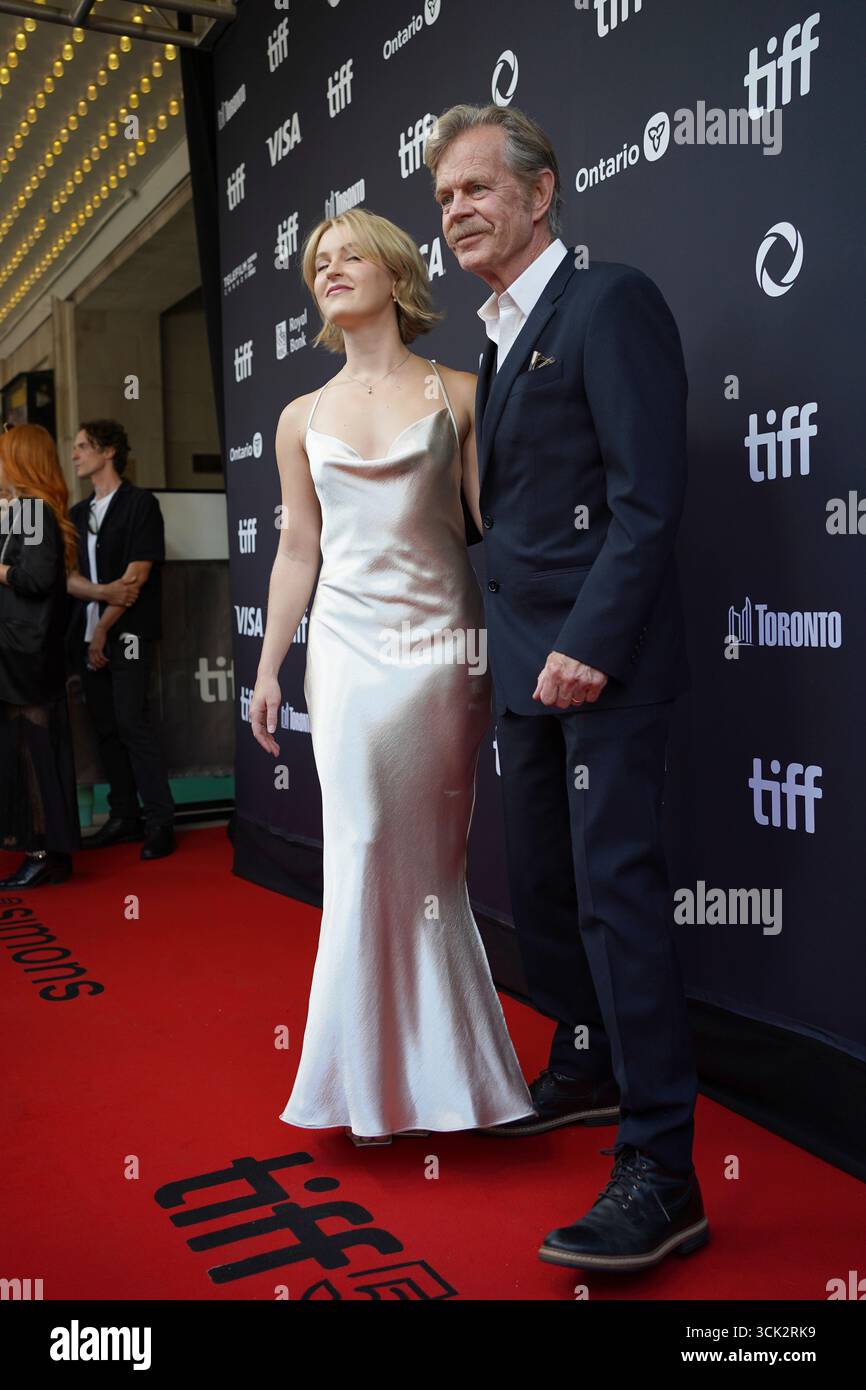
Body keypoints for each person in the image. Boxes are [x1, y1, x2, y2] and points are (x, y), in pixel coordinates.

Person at [425, 103, 708, 1272]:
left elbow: (645, 501)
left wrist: (588, 640)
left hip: (604, 663)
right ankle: (585, 1064)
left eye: (476, 190)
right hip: (525, 666)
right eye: (443, 200)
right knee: (542, 886)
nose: (456, 214)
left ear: (540, 194)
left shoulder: (609, 302)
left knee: (616, 899)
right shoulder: (492, 340)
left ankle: (664, 1172)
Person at [250, 206, 533, 1145]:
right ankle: (367, 1086)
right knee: (365, 846)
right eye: (317, 262)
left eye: (348, 255)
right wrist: (268, 668)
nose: (329, 270)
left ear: (395, 272)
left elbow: (499, 529)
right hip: (346, 653)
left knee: (432, 864)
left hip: (442, 656)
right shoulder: (301, 417)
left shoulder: (459, 393)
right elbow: (300, 548)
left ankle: (453, 1077)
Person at [67, 420, 175, 860]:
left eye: (82, 446)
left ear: (108, 451)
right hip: (88, 632)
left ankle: (159, 821)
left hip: (126, 632)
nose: (74, 454)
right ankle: (123, 816)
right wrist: (99, 595)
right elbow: (66, 579)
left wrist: (105, 626)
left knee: (132, 721)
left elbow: (137, 577)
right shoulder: (76, 514)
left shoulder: (140, 504)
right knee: (106, 728)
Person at [0, 424, 81, 888]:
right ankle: (38, 847)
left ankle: (44, 850)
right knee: (25, 749)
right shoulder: (25, 510)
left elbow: (34, 578)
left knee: (32, 751)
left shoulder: (33, 510)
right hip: (19, 650)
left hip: (25, 653)